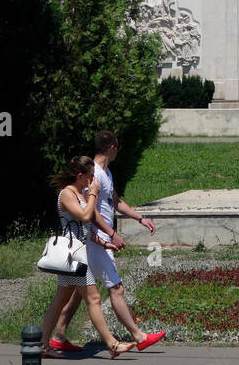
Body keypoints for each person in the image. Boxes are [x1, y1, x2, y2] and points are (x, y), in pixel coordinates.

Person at [52, 130, 164, 352]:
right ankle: (139, 336)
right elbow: (90, 212)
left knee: (77, 291)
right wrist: (111, 234)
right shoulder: (94, 175)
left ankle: (58, 336)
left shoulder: (105, 173)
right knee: (116, 287)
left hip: (96, 239)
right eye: (118, 147)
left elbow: (115, 201)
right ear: (112, 147)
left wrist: (140, 218)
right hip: (95, 239)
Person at [39, 156, 136, 359]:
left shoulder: (79, 193)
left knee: (59, 301)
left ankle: (42, 346)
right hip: (73, 256)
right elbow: (84, 216)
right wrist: (93, 195)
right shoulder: (67, 194)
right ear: (80, 176)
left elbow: (85, 228)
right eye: (90, 177)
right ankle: (112, 344)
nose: (92, 181)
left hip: (78, 252)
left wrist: (103, 242)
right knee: (94, 298)